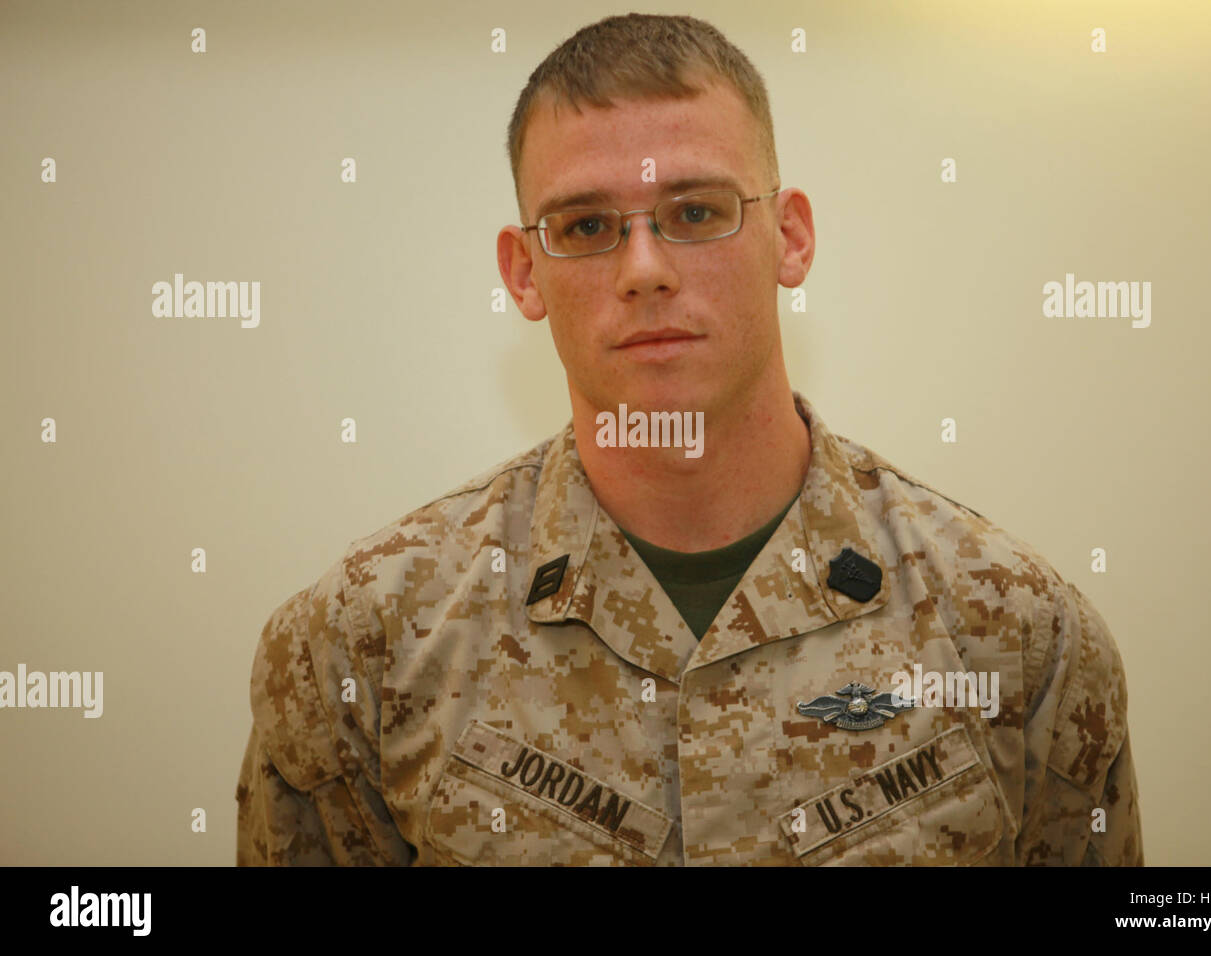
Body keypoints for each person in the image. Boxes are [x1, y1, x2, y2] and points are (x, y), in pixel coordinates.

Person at [235, 12, 1142, 866]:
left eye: (697, 212)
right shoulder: (366, 642)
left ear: (789, 239)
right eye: (587, 227)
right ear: (523, 273)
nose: (644, 270)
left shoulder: (1016, 634)